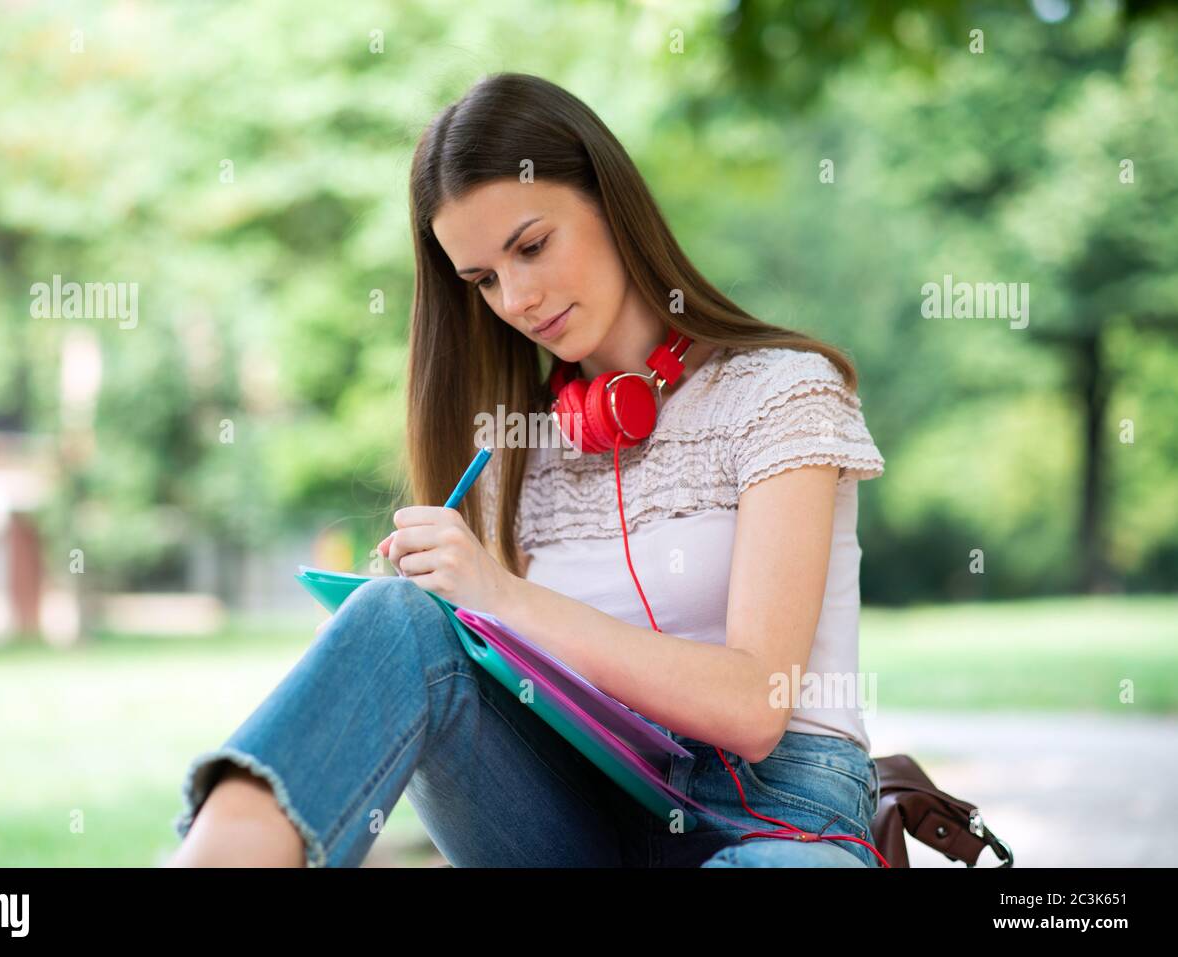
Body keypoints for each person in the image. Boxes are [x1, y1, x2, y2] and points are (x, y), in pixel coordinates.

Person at [168, 72, 886, 868]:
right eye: (482, 280)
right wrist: (408, 639)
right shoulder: (515, 449)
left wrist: (502, 593)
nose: (517, 298)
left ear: (612, 202)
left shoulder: (784, 392)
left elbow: (756, 707)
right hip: (583, 810)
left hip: (780, 819)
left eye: (532, 246)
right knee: (393, 615)